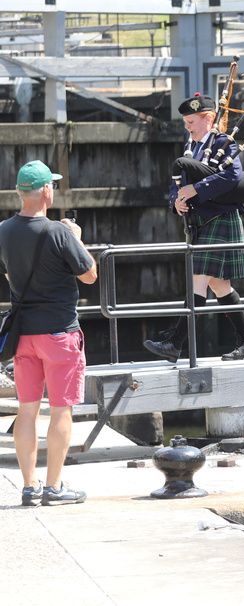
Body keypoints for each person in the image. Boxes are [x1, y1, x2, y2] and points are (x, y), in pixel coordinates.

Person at [0, 160, 97, 506]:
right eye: (51, 185)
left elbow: (11, 277)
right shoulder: (58, 232)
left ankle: (29, 486)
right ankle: (54, 487)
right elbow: (89, 275)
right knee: (60, 410)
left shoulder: (4, 230)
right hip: (59, 334)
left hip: (24, 335)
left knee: (27, 410)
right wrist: (77, 239)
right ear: (44, 191)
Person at [142, 94, 244, 362]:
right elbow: (177, 182)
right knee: (220, 287)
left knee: (198, 281)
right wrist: (177, 202)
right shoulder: (192, 147)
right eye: (185, 122)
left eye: (191, 121)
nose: (188, 126)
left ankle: (175, 343)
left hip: (221, 219)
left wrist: (195, 188)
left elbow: (231, 176)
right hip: (200, 222)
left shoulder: (223, 143)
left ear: (208, 119)